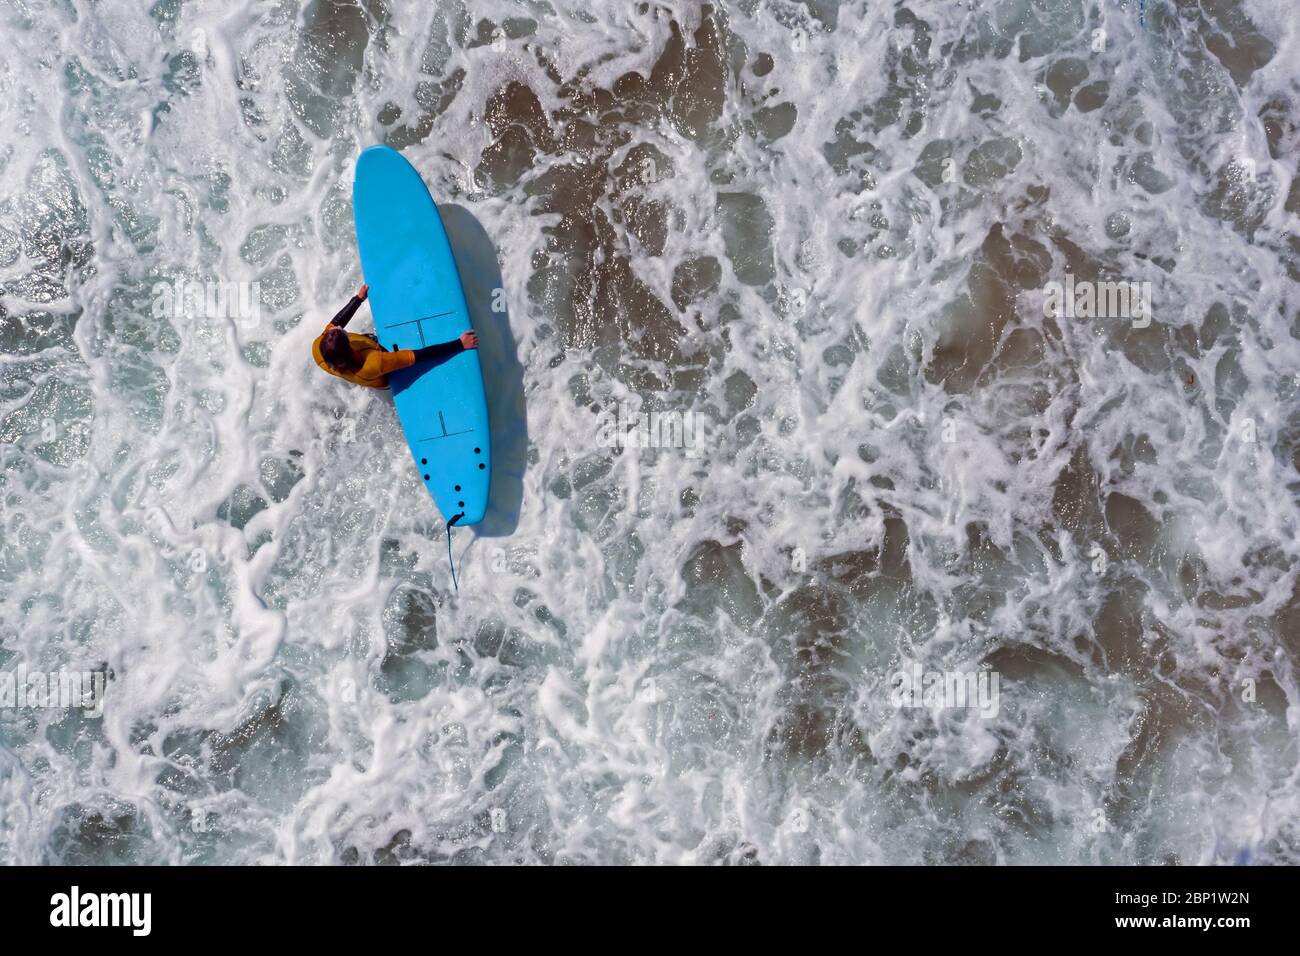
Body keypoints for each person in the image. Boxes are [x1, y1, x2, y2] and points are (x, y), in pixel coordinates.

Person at [312, 284, 478, 388]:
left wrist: (358, 299)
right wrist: (460, 344)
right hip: (386, 375)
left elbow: (336, 322)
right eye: (343, 333)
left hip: (356, 357)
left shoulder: (320, 349)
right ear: (349, 347)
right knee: (410, 359)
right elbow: (419, 356)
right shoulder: (375, 362)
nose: (340, 328)